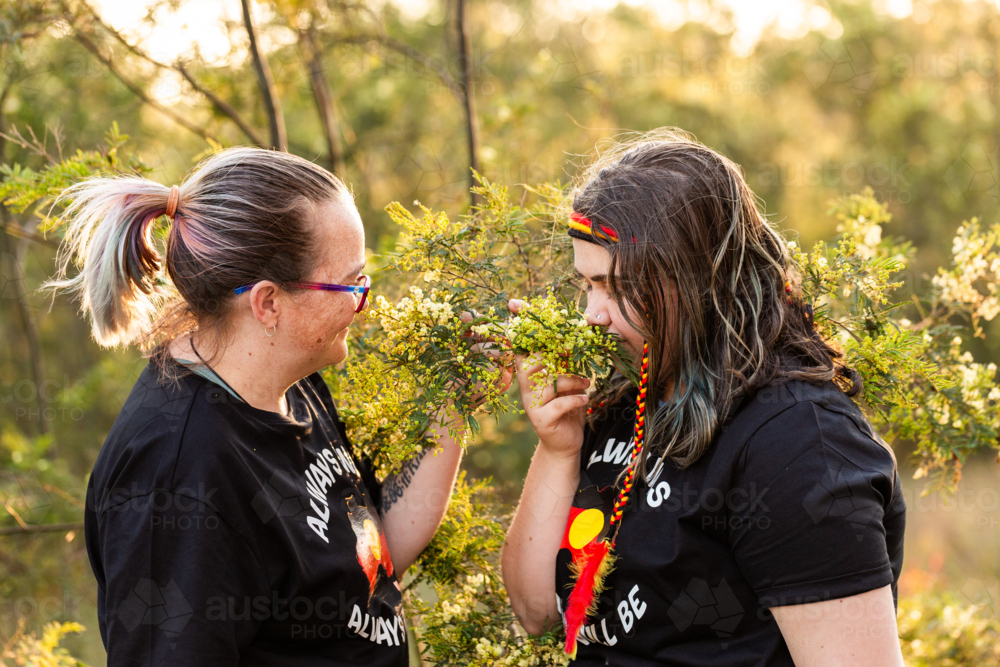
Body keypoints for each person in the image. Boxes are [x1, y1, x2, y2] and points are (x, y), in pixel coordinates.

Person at [47, 147, 494, 666]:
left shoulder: (287, 383)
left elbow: (371, 557)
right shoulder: (177, 480)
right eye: (351, 283)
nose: (362, 300)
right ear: (268, 303)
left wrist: (456, 404)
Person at [501, 129, 907, 666]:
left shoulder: (799, 445)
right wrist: (558, 449)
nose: (593, 314)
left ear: (699, 282)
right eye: (588, 284)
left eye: (619, 286)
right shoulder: (632, 394)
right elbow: (536, 613)